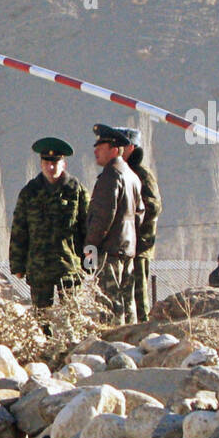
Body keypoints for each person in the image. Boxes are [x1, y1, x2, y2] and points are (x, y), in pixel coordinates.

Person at [9, 137, 89, 307]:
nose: (50, 167)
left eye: (55, 162)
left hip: (69, 267)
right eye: (46, 162)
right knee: (42, 319)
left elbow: (87, 228)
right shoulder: (30, 192)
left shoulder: (76, 191)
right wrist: (17, 265)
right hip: (39, 268)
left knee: (72, 316)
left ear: (63, 164)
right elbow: (19, 229)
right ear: (41, 164)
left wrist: (89, 263)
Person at [85, 124, 144, 324]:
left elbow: (103, 216)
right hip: (126, 250)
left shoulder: (111, 176)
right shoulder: (132, 176)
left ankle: (114, 345)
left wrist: (90, 244)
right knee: (128, 306)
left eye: (100, 146)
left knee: (109, 307)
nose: (95, 151)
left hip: (109, 252)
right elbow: (139, 214)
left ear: (113, 148)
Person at [118, 127, 161, 322]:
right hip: (123, 245)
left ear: (131, 147)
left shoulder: (141, 174)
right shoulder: (120, 172)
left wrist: (130, 220)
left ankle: (142, 328)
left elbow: (153, 206)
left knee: (138, 293)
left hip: (139, 244)